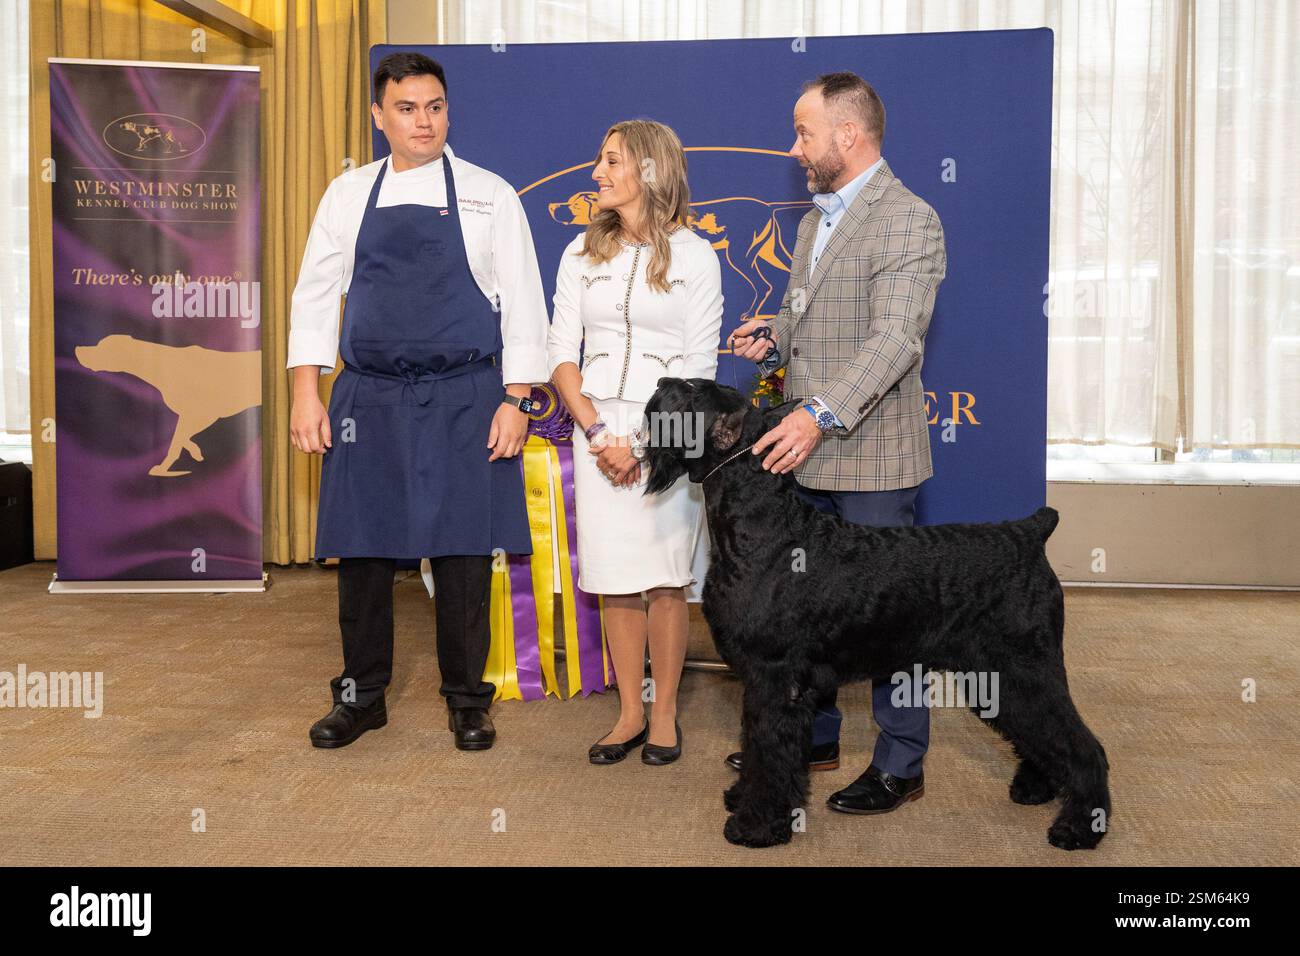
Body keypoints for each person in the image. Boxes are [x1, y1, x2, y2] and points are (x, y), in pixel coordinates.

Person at [287, 52, 549, 752]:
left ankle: (468, 700)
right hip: (365, 397)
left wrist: (516, 402)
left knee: (464, 552)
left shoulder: (491, 195)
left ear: (447, 111)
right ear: (380, 117)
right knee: (363, 552)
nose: (423, 120)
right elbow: (312, 297)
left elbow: (525, 304)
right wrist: (305, 392)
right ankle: (361, 696)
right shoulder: (346, 195)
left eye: (434, 106)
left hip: (467, 393)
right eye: (406, 108)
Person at [731, 72, 947, 813]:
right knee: (802, 614)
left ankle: (901, 761)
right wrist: (774, 338)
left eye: (804, 132)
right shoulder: (811, 221)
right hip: (806, 452)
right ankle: (811, 735)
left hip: (870, 458)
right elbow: (803, 315)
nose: (796, 148)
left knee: (891, 622)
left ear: (847, 136)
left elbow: (894, 342)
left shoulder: (910, 220)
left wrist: (817, 412)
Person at [548, 119, 723, 765]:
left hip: (666, 436)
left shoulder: (697, 258)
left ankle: (666, 717)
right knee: (615, 580)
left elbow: (698, 371)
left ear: (649, 171)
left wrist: (647, 450)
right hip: (594, 433)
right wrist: (597, 433)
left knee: (664, 581)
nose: (597, 172)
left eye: (611, 160)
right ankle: (627, 713)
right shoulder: (577, 254)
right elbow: (561, 353)